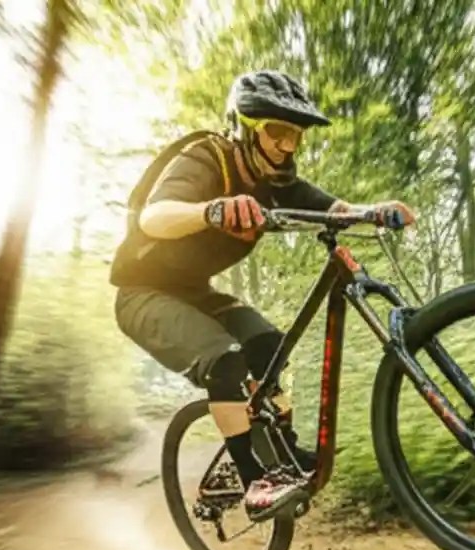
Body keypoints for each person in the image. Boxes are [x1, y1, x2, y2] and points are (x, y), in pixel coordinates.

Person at [109, 69, 415, 521]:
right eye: (277, 132)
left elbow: (338, 210)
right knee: (226, 359)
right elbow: (154, 217)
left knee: (272, 347)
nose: (288, 146)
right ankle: (254, 479)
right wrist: (212, 209)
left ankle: (281, 452)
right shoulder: (207, 158)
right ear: (245, 127)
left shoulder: (275, 183)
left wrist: (376, 212)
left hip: (195, 293)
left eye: (295, 135)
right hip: (142, 295)